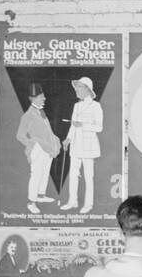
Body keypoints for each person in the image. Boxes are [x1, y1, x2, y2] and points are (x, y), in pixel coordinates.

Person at [16, 82, 60, 212]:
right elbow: (20, 135)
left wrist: (54, 140)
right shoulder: (28, 115)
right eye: (41, 96)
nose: (44, 98)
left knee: (45, 173)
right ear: (33, 98)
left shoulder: (41, 112)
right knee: (36, 175)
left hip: (48, 148)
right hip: (38, 149)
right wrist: (33, 144)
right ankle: (31, 203)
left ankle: (41, 196)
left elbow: (47, 130)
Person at [62, 76, 103, 214]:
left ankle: (88, 204)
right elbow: (73, 125)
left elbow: (99, 127)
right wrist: (68, 139)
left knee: (88, 176)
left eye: (79, 87)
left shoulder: (96, 106)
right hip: (76, 145)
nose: (76, 90)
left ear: (87, 89)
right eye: (76, 87)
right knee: (73, 174)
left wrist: (83, 125)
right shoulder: (77, 106)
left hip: (88, 146)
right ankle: (72, 201)